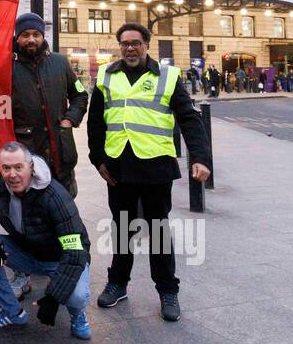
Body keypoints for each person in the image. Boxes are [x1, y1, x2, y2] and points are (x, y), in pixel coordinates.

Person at [88, 22, 212, 322]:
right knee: (122, 229)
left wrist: (200, 157)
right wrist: (98, 160)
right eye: (125, 43)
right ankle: (118, 283)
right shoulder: (106, 75)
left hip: (155, 165)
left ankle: (168, 290)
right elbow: (95, 123)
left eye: (136, 43)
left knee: (158, 231)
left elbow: (189, 119)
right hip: (118, 166)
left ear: (147, 45)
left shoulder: (167, 76)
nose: (130, 48)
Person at [11, 11, 88, 303]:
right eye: (25, 35)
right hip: (26, 154)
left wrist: (70, 118)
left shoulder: (59, 63)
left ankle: (63, 264)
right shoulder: (8, 66)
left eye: (36, 34)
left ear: (43, 36)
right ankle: (22, 273)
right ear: (17, 38)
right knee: (23, 216)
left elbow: (80, 94)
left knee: (63, 210)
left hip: (60, 153)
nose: (31, 39)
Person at [0, 143, 93, 340]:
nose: (12, 174)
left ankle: (77, 315)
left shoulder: (54, 196)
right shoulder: (0, 187)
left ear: (31, 166)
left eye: (18, 167)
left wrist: (54, 297)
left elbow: (75, 250)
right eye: (6, 168)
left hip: (61, 258)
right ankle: (12, 312)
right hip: (25, 253)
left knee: (77, 296)